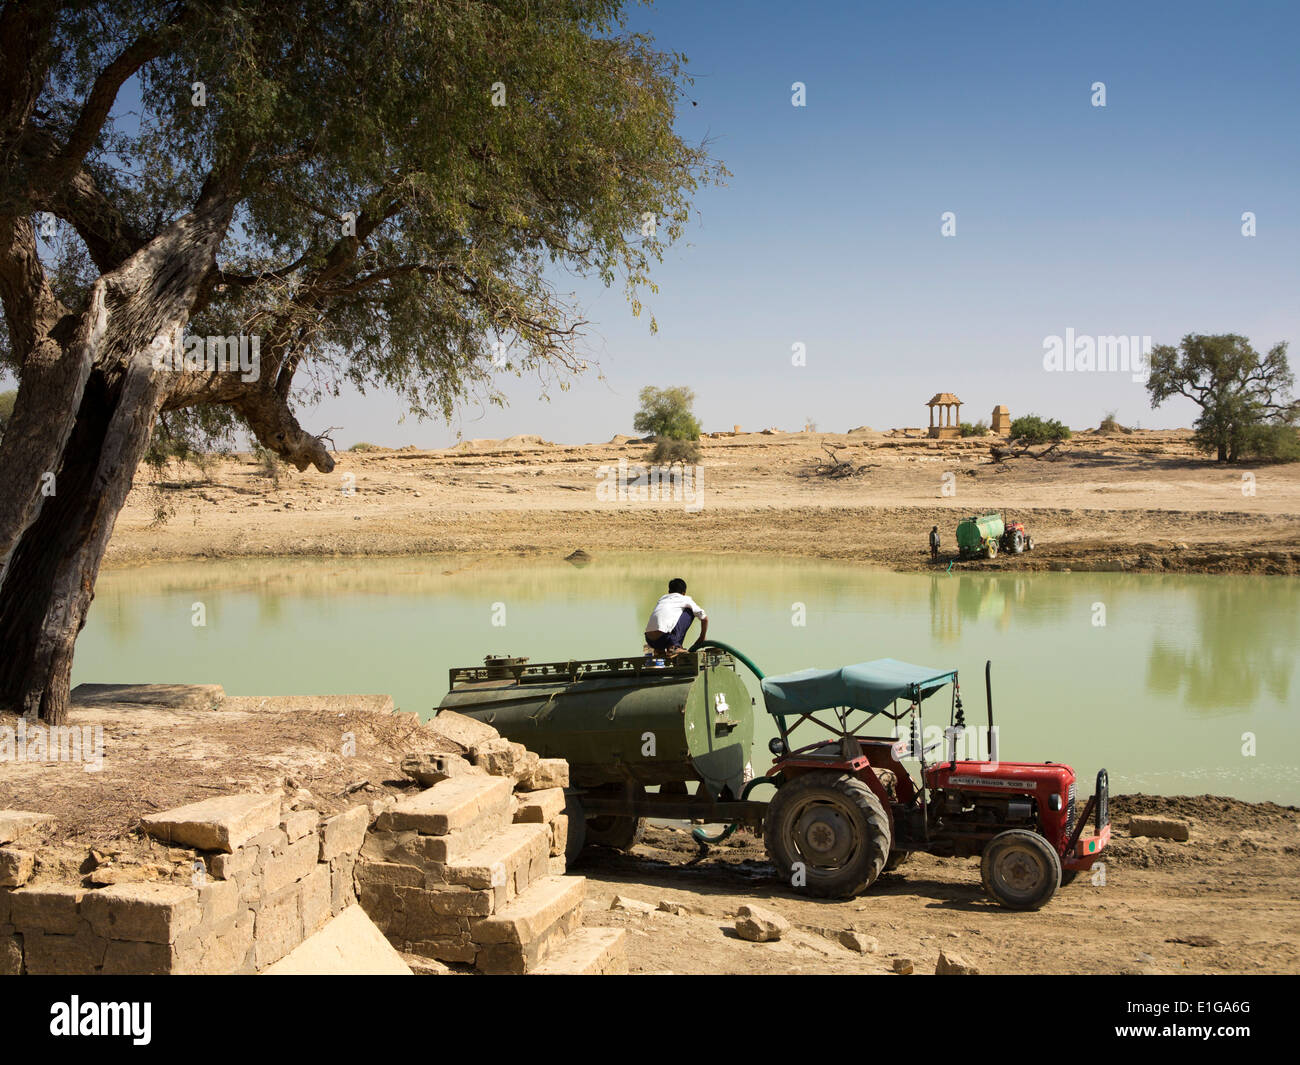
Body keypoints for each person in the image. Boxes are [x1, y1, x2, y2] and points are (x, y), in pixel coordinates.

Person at [644, 578, 708, 656]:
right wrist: (702, 637)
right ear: (684, 593)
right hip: (665, 638)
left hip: (650, 640)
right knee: (690, 611)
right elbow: (704, 618)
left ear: (669, 592)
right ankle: (674, 647)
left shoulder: (663, 599)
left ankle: (659, 650)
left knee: (667, 618)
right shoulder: (685, 599)